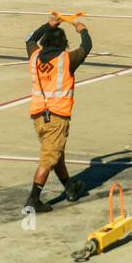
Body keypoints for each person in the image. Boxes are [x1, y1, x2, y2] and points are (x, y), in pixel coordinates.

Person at [24, 13, 93, 213]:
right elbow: (87, 47)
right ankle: (33, 199)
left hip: (38, 116)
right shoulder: (66, 59)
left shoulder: (35, 56)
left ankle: (70, 187)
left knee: (57, 155)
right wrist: (83, 31)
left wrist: (48, 25)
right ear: (63, 43)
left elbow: (29, 39)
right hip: (57, 116)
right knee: (49, 159)